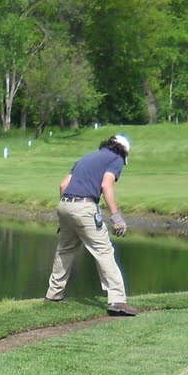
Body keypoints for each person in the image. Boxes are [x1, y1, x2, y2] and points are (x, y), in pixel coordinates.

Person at [45, 133, 138, 316]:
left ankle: (53, 294)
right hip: (85, 206)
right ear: (123, 151)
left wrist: (67, 217)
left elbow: (63, 185)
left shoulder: (86, 157)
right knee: (104, 251)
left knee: (65, 249)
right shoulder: (116, 158)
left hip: (64, 204)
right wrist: (116, 216)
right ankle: (117, 300)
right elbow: (106, 185)